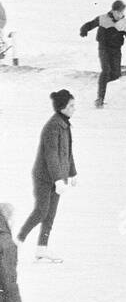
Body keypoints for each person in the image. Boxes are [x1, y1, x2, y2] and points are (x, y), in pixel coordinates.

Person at [17, 90, 77, 262]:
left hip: (58, 177)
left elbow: (67, 153)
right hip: (45, 177)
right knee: (41, 212)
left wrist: (72, 173)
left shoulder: (64, 124)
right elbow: (51, 155)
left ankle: (42, 249)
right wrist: (58, 179)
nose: (74, 109)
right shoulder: (53, 126)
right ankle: (18, 241)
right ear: (62, 107)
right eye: (71, 105)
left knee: (50, 215)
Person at [80, 0, 126, 108]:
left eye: (122, 12)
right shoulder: (103, 18)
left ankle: (102, 80)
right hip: (104, 48)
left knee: (116, 75)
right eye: (118, 12)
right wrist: (84, 30)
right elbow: (90, 24)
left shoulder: (125, 23)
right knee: (106, 70)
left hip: (116, 50)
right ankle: (100, 99)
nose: (120, 15)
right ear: (113, 11)